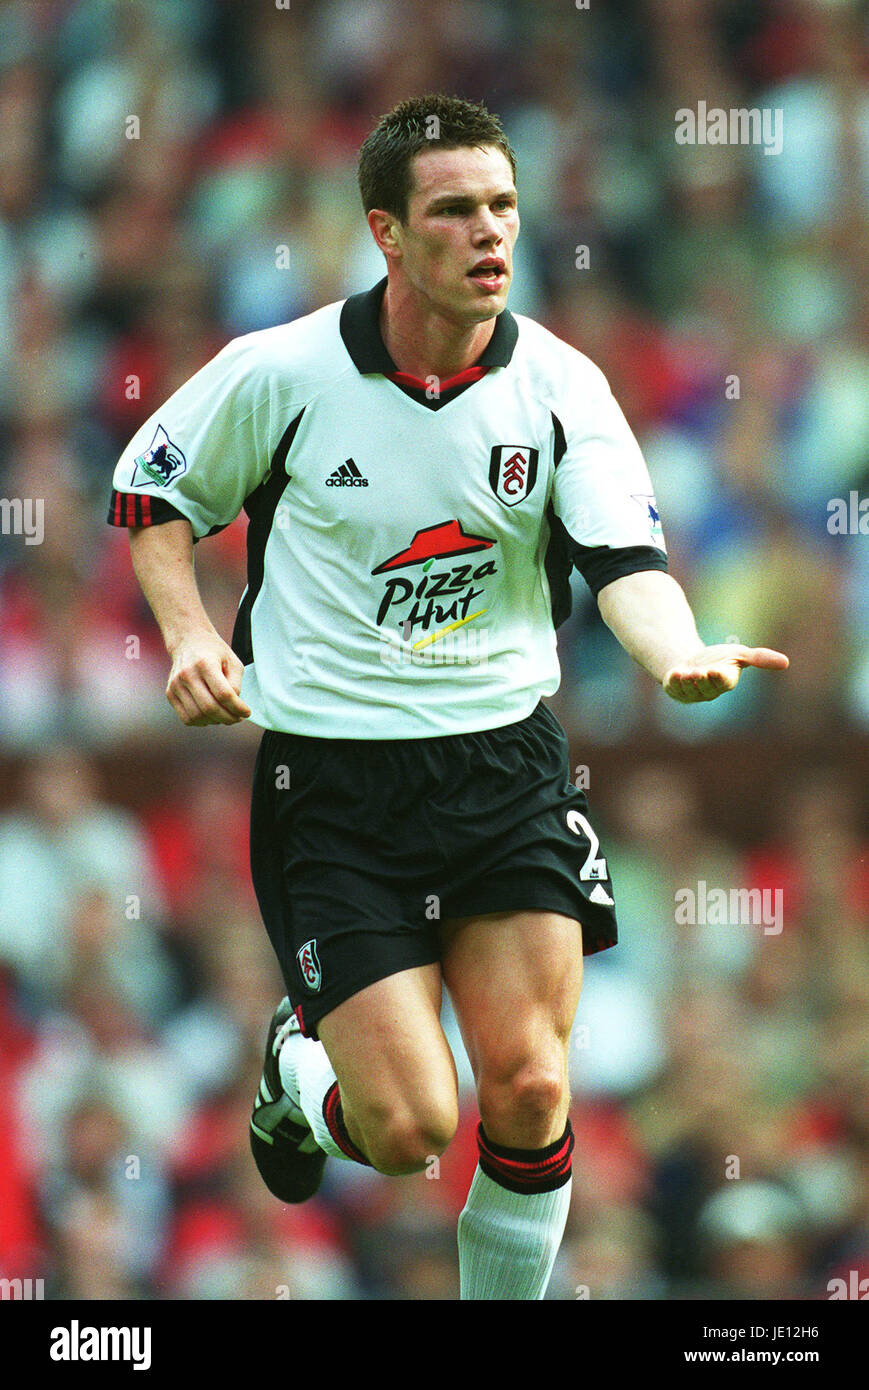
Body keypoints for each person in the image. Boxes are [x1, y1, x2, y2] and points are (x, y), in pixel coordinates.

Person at [108, 94, 788, 1300]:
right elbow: (154, 494)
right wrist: (188, 636)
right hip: (332, 781)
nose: (490, 233)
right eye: (455, 209)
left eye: (504, 206)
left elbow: (627, 565)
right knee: (414, 1130)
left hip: (505, 765)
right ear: (386, 232)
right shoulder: (282, 371)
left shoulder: (563, 388)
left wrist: (677, 650)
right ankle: (296, 1079)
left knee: (526, 1089)